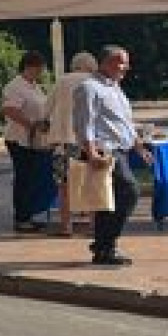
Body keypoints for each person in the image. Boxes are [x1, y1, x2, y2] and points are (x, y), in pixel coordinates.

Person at [73, 45, 152, 266]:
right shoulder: (89, 88)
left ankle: (103, 247)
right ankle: (105, 244)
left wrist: (138, 146)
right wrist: (91, 153)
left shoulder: (115, 88)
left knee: (112, 200)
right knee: (129, 190)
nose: (125, 67)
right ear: (104, 63)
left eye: (126, 61)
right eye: (119, 61)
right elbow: (84, 123)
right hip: (104, 150)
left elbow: (124, 122)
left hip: (121, 149)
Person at [44, 51, 99, 237]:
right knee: (91, 182)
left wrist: (44, 123)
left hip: (63, 140)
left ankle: (66, 226)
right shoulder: (96, 80)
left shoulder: (62, 81)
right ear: (91, 66)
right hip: (88, 141)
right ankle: (93, 225)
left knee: (64, 185)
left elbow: (47, 107)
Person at [0, 50, 50, 234]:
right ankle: (21, 218)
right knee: (23, 179)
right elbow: (9, 110)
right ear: (29, 67)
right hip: (19, 139)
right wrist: (31, 125)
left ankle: (28, 215)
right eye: (38, 69)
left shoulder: (34, 86)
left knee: (32, 179)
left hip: (34, 140)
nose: (40, 72)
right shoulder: (15, 86)